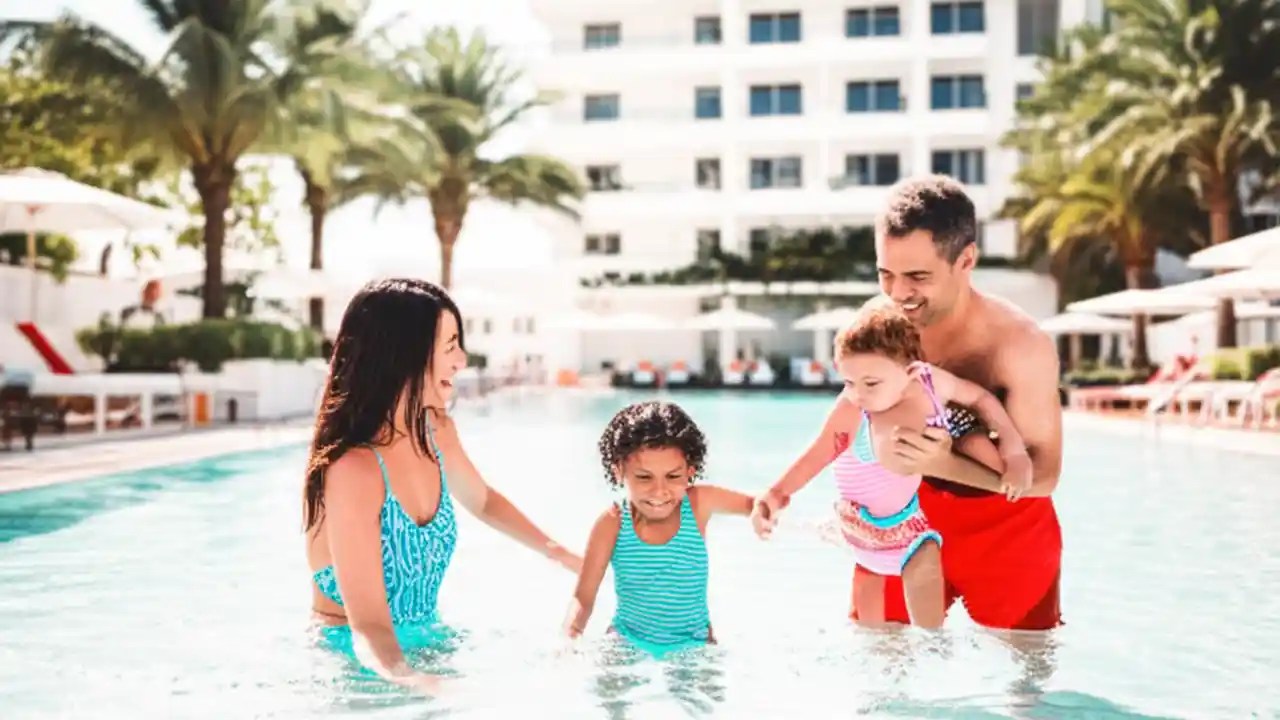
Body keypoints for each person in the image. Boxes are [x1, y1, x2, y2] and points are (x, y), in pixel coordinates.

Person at [779, 175, 1064, 631]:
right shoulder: (879, 326)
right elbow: (847, 426)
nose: (897, 294)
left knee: (1026, 686)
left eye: (918, 277)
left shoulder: (1019, 345)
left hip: (1006, 529)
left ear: (966, 259)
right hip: (901, 523)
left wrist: (948, 463)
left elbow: (1044, 477)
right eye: (885, 274)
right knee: (879, 675)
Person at [303, 278, 582, 694]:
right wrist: (412, 679)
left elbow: (483, 501)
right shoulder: (354, 470)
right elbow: (370, 626)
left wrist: (563, 556)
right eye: (450, 344)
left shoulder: (435, 433)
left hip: (430, 644)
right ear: (404, 354)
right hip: (355, 668)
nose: (462, 360)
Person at [752, 301, 1032, 627]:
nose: (857, 394)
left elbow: (981, 399)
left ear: (911, 371)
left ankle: (933, 648)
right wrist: (774, 494)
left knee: (927, 576)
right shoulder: (853, 411)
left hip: (905, 532)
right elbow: (817, 455)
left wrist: (1015, 452)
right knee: (870, 630)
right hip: (859, 529)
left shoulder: (931, 384)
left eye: (871, 383)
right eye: (848, 383)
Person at [563, 400, 754, 653]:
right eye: (644, 477)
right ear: (619, 471)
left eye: (673, 476)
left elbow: (756, 506)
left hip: (694, 641)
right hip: (627, 639)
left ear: (690, 472)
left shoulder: (698, 504)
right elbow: (583, 597)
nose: (659, 491)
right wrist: (569, 638)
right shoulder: (613, 523)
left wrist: (767, 513)